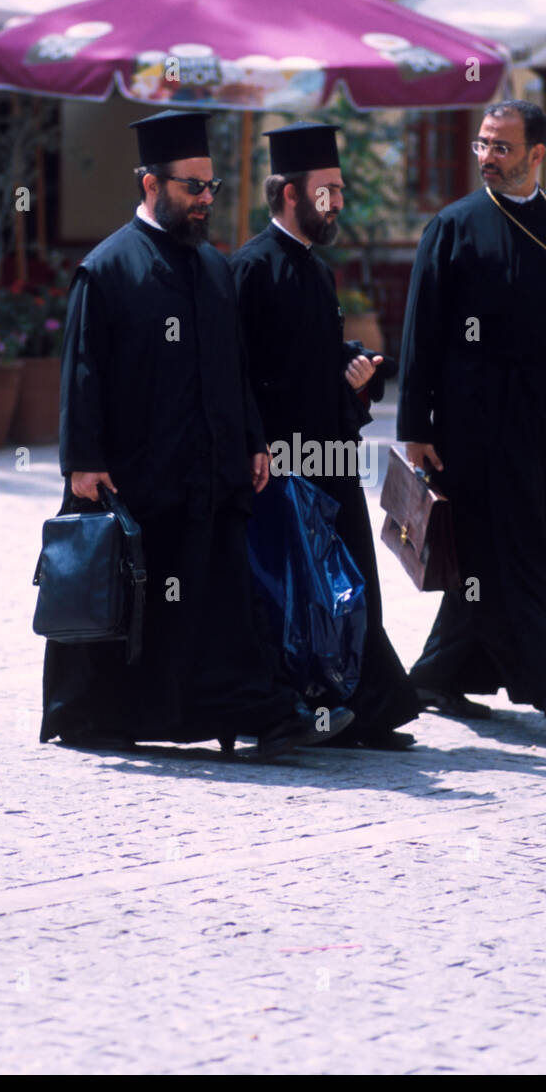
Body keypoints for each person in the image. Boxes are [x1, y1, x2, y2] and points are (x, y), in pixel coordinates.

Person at [40, 109, 352, 758]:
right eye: (193, 186)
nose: (206, 198)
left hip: (211, 472)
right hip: (139, 475)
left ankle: (256, 713)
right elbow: (82, 372)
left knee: (219, 603)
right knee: (133, 602)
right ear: (151, 184)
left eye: (212, 186)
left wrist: (255, 440)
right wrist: (83, 461)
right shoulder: (107, 269)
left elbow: (237, 366)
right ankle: (96, 716)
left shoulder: (212, 266)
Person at [397, 99, 546, 738]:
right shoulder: (453, 226)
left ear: (537, 153)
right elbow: (421, 334)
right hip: (478, 422)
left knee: (543, 550)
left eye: (502, 146)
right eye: (482, 144)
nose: (487, 156)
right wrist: (415, 427)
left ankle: (439, 673)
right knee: (520, 559)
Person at [230, 121, 420, 751]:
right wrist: (258, 445)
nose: (338, 202)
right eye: (327, 191)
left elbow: (312, 356)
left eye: (339, 191)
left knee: (352, 580)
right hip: (283, 460)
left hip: (331, 454)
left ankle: (363, 710)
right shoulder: (250, 269)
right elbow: (241, 372)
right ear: (290, 194)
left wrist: (356, 370)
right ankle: (311, 710)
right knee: (299, 592)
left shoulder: (316, 270)